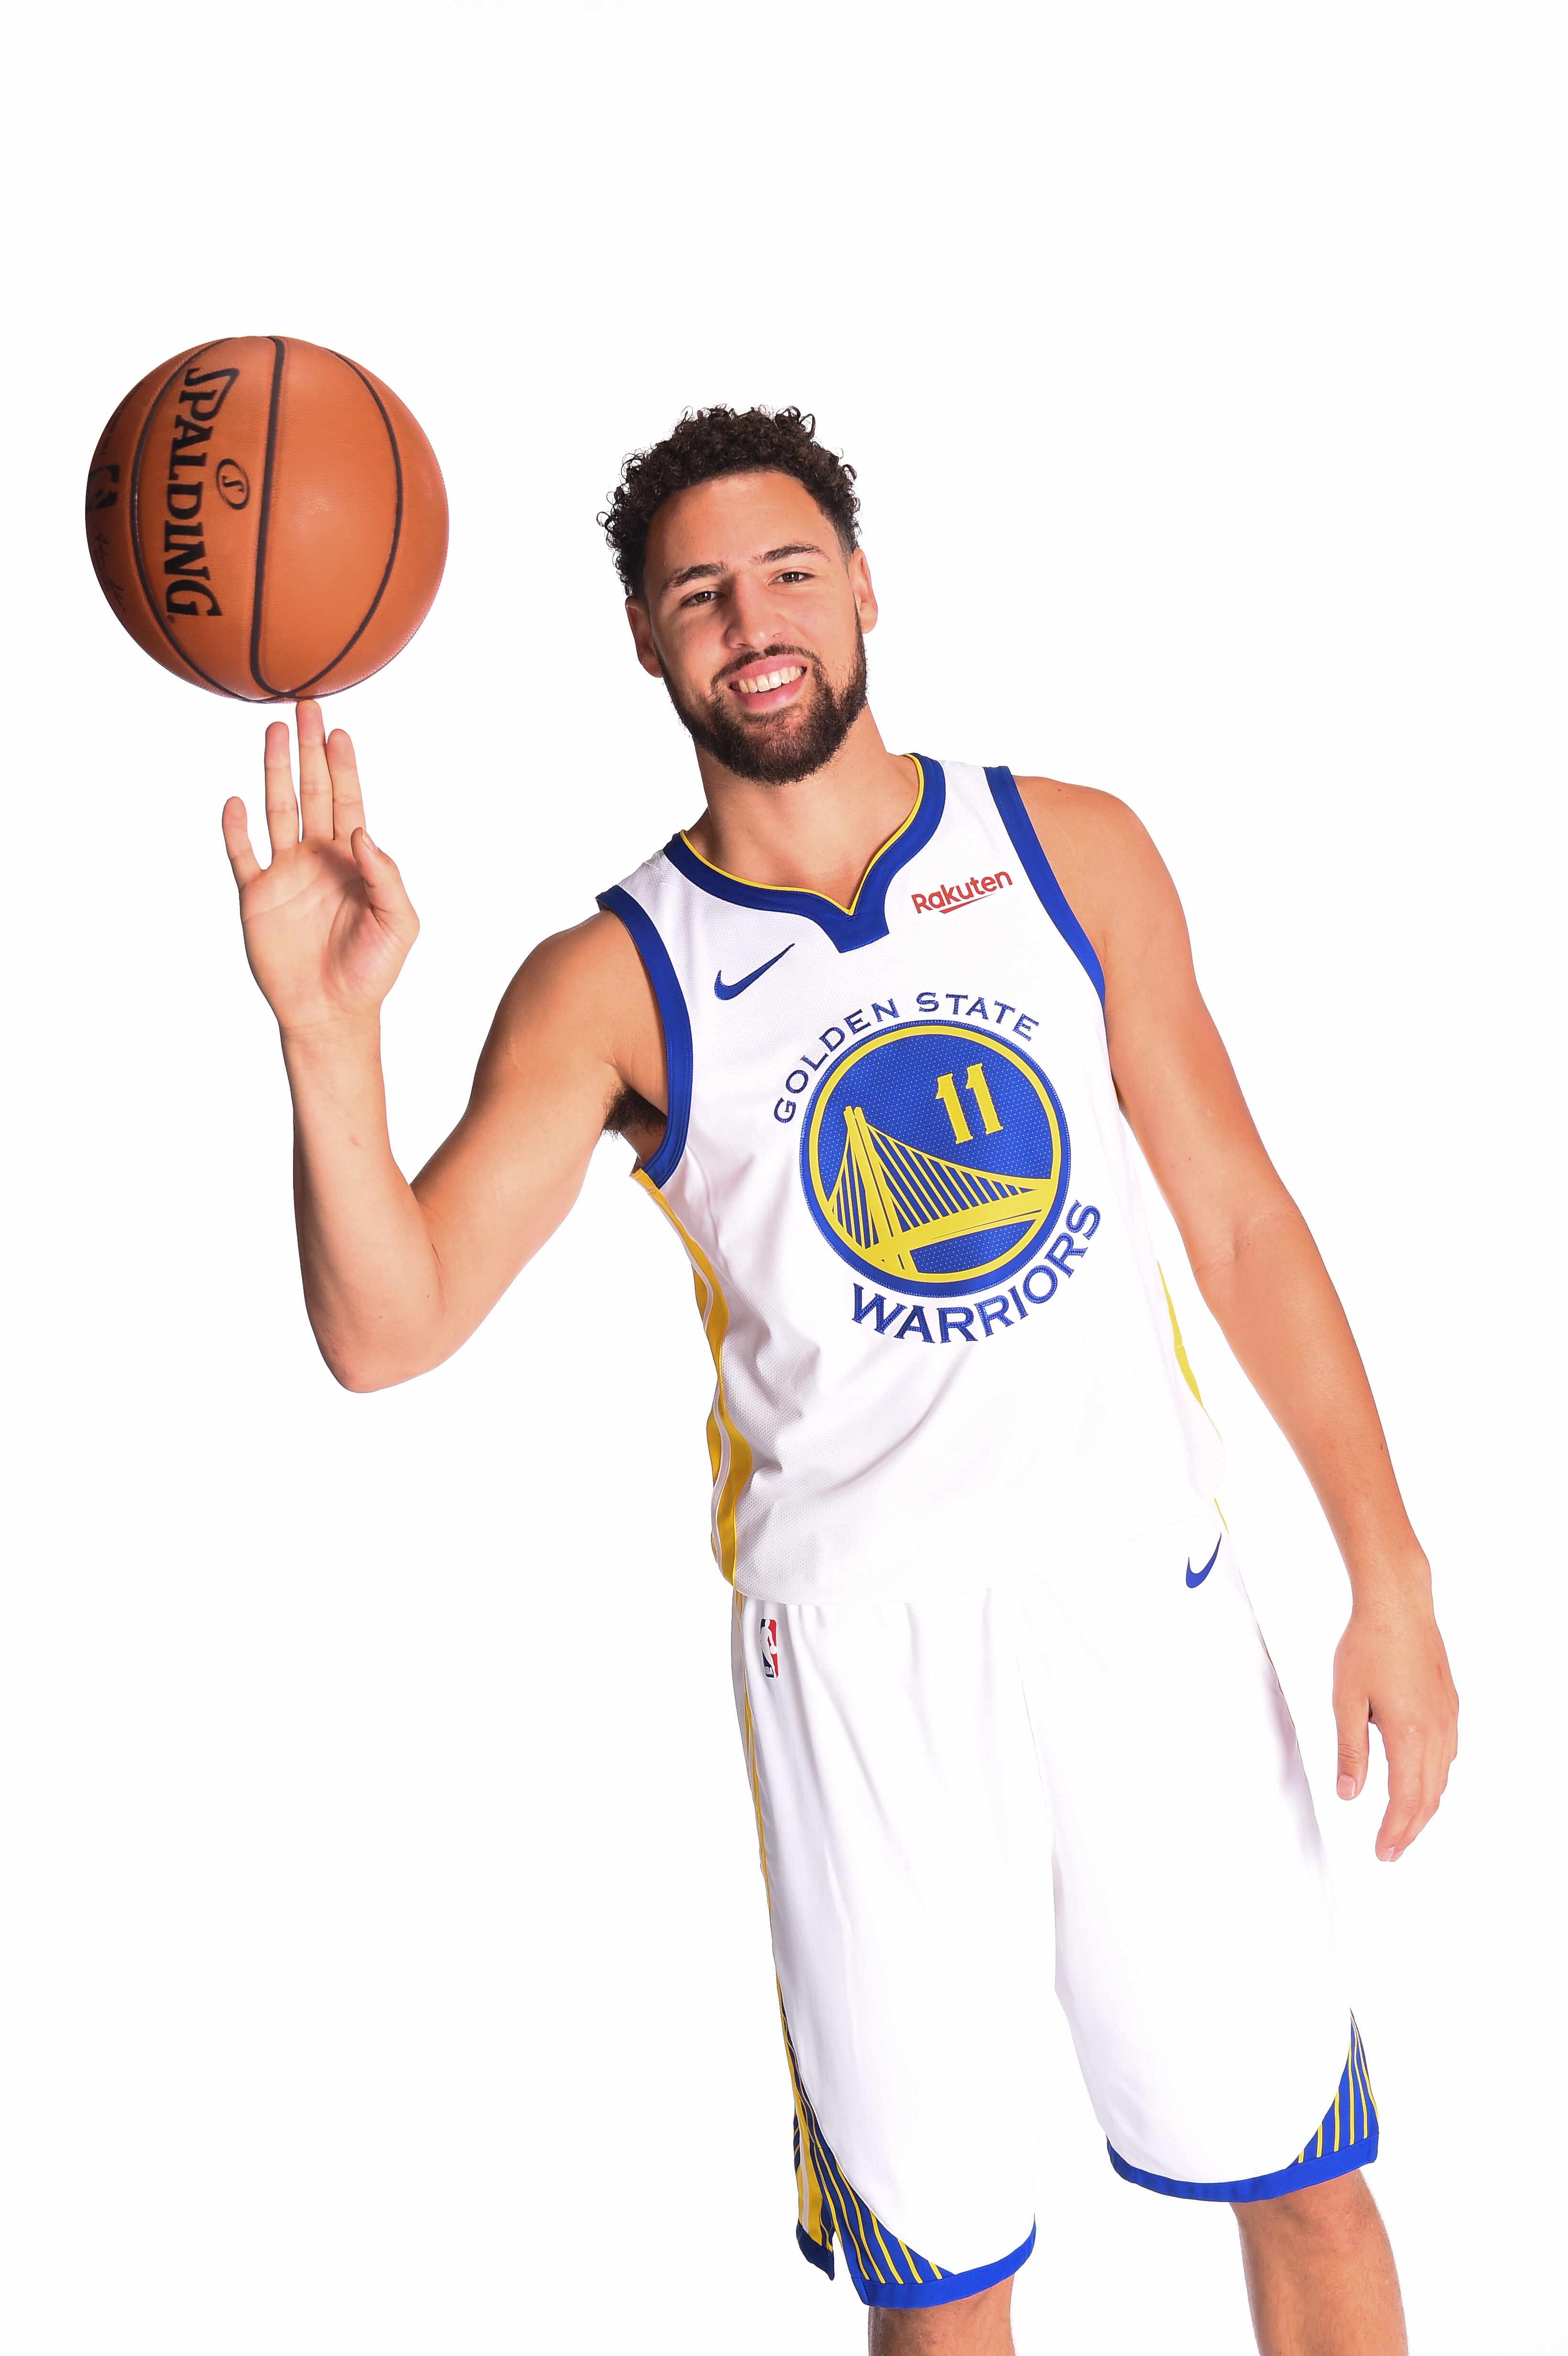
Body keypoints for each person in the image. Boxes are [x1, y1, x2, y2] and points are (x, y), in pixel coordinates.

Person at [221, 406, 1458, 2356]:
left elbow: (1236, 1219)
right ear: (647, 641)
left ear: (866, 587)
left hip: (1145, 1600)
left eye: (789, 569)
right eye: (700, 592)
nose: (755, 618)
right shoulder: (612, 976)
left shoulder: (1066, 846)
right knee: (943, 2274)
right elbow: (391, 1321)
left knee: (1301, 2174)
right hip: (856, 1661)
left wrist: (1386, 1569)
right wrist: (324, 1036)